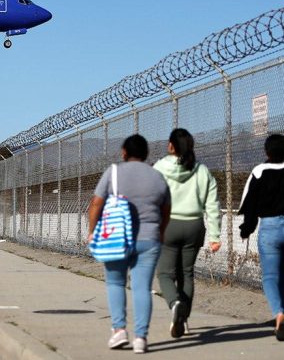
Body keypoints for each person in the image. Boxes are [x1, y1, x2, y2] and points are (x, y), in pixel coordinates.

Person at [88, 134, 171, 353]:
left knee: (115, 283)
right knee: (142, 288)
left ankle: (119, 331)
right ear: (146, 154)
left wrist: (92, 231)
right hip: (149, 238)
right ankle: (141, 337)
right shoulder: (157, 176)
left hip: (117, 238)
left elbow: (96, 203)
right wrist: (161, 232)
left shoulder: (113, 172)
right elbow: (166, 209)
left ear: (124, 152)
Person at [153, 128, 222, 338]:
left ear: (170, 146)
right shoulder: (202, 171)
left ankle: (175, 303)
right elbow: (212, 204)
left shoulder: (160, 168)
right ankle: (182, 319)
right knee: (187, 274)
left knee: (165, 273)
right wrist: (215, 236)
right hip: (194, 226)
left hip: (168, 224)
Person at [238, 133, 284, 341]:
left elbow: (250, 204)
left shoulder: (259, 171)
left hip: (270, 228)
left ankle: (279, 313)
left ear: (267, 151)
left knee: (270, 276)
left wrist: (247, 228)